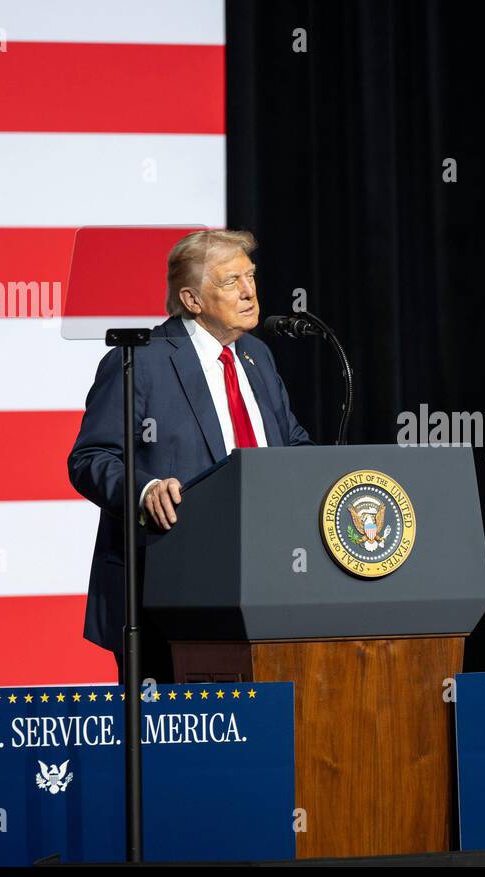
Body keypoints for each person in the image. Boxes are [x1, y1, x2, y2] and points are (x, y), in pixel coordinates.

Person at [68, 229, 312, 679]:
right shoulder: (141, 360)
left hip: (267, 582)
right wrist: (145, 491)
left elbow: (291, 443)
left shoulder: (256, 356)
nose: (248, 291)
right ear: (192, 299)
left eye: (251, 276)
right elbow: (92, 457)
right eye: (230, 281)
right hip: (168, 590)